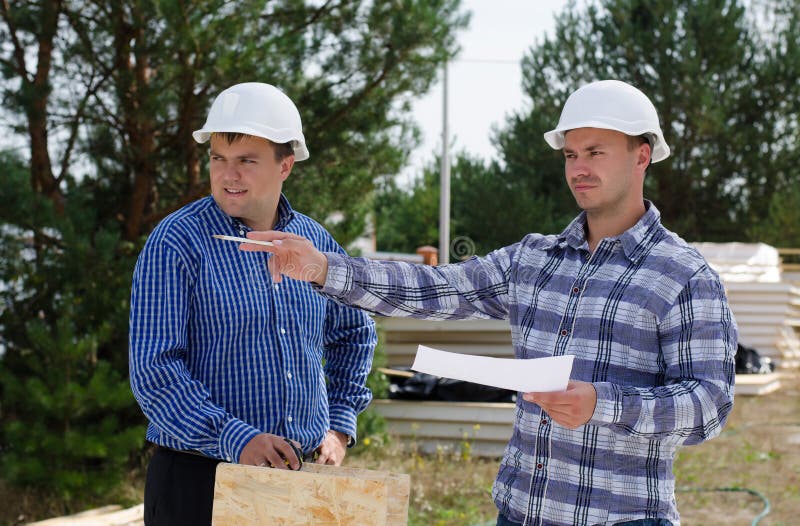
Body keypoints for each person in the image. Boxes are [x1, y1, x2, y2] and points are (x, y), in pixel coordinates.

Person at [240, 80, 737, 526]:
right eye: (570, 155)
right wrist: (326, 268)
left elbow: (709, 405)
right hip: (519, 512)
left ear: (641, 156)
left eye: (595, 153)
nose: (579, 169)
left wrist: (600, 403)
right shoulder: (534, 259)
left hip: (621, 518)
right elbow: (436, 287)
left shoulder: (683, 276)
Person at [128, 82, 377, 526]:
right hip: (197, 482)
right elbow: (154, 370)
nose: (228, 175)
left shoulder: (315, 243)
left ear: (286, 164)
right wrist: (234, 437)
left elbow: (355, 333)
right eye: (218, 159)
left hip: (299, 480)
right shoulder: (176, 242)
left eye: (246, 160)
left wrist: (338, 426)